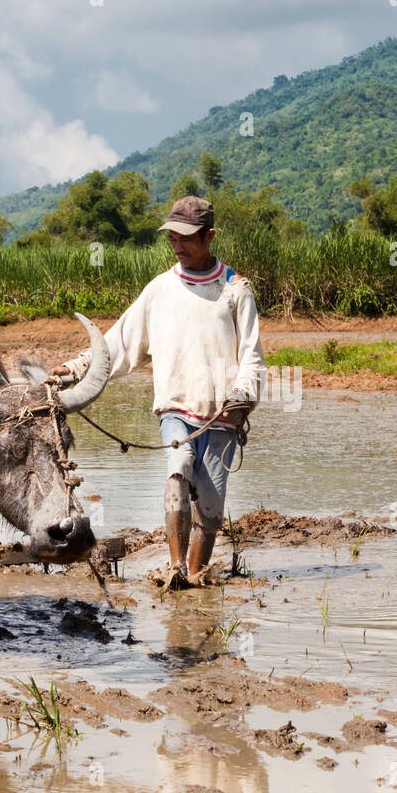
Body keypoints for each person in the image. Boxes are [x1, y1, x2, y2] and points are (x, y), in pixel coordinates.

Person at [51, 196, 265, 588]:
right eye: (173, 238)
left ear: (209, 236)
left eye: (187, 238)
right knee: (176, 475)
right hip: (176, 410)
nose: (179, 246)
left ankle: (197, 576)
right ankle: (175, 568)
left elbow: (252, 354)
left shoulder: (235, 289)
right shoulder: (160, 290)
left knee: (211, 510)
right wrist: (76, 369)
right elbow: (119, 342)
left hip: (221, 417)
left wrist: (242, 395)